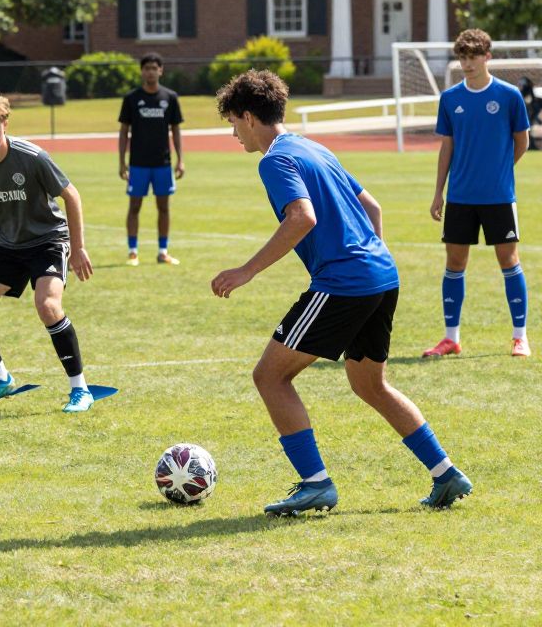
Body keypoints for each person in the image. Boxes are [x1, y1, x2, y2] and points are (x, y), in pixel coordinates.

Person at [211, 69, 471, 516]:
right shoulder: (313, 147)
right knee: (370, 384)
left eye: (233, 123)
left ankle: (315, 484)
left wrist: (246, 271)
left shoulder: (274, 159)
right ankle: (446, 473)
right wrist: (371, 256)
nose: (234, 134)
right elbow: (372, 205)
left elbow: (301, 218)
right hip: (381, 276)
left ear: (249, 117)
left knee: (270, 376)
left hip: (345, 282)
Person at [0, 92, 95, 413]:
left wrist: (78, 248)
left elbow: (71, 196)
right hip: (9, 246)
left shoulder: (32, 157)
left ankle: (80, 389)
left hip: (48, 241)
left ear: (5, 123)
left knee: (47, 305)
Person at [424, 29, 531, 358]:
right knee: (454, 263)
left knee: (508, 261)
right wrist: (438, 191)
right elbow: (447, 147)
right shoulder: (451, 99)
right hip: (460, 198)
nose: (467, 64)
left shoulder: (510, 96)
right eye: (462, 57)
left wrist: (499, 170)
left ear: (488, 57)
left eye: (473, 57)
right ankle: (451, 338)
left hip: (499, 196)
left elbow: (522, 141)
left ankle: (520, 337)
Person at [118, 53, 185, 266]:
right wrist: (122, 161)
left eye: (154, 68)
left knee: (163, 207)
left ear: (160, 70)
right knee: (134, 206)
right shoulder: (131, 98)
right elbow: (123, 131)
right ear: (142, 71)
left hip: (162, 164)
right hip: (138, 163)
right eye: (146, 68)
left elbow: (175, 130)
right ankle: (132, 252)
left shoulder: (170, 98)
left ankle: (163, 251)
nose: (150, 72)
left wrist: (180, 159)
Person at [518, 76, 542, 151]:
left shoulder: (538, 102)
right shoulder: (517, 103)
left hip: (534, 129)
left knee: (536, 130)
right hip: (522, 132)